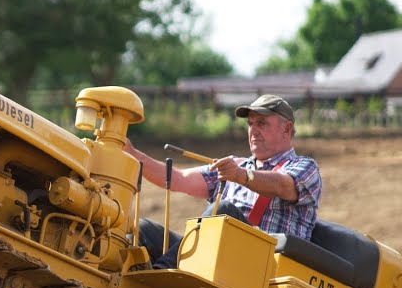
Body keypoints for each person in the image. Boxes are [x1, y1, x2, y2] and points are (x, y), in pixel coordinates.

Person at [123, 94, 323, 268]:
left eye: (262, 123)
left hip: (264, 264)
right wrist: (132, 154)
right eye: (250, 124)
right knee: (145, 230)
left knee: (223, 212)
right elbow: (178, 178)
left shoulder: (305, 167)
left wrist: (241, 176)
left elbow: (282, 185)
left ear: (287, 129)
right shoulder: (236, 165)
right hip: (221, 252)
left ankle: (162, 273)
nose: (253, 130)